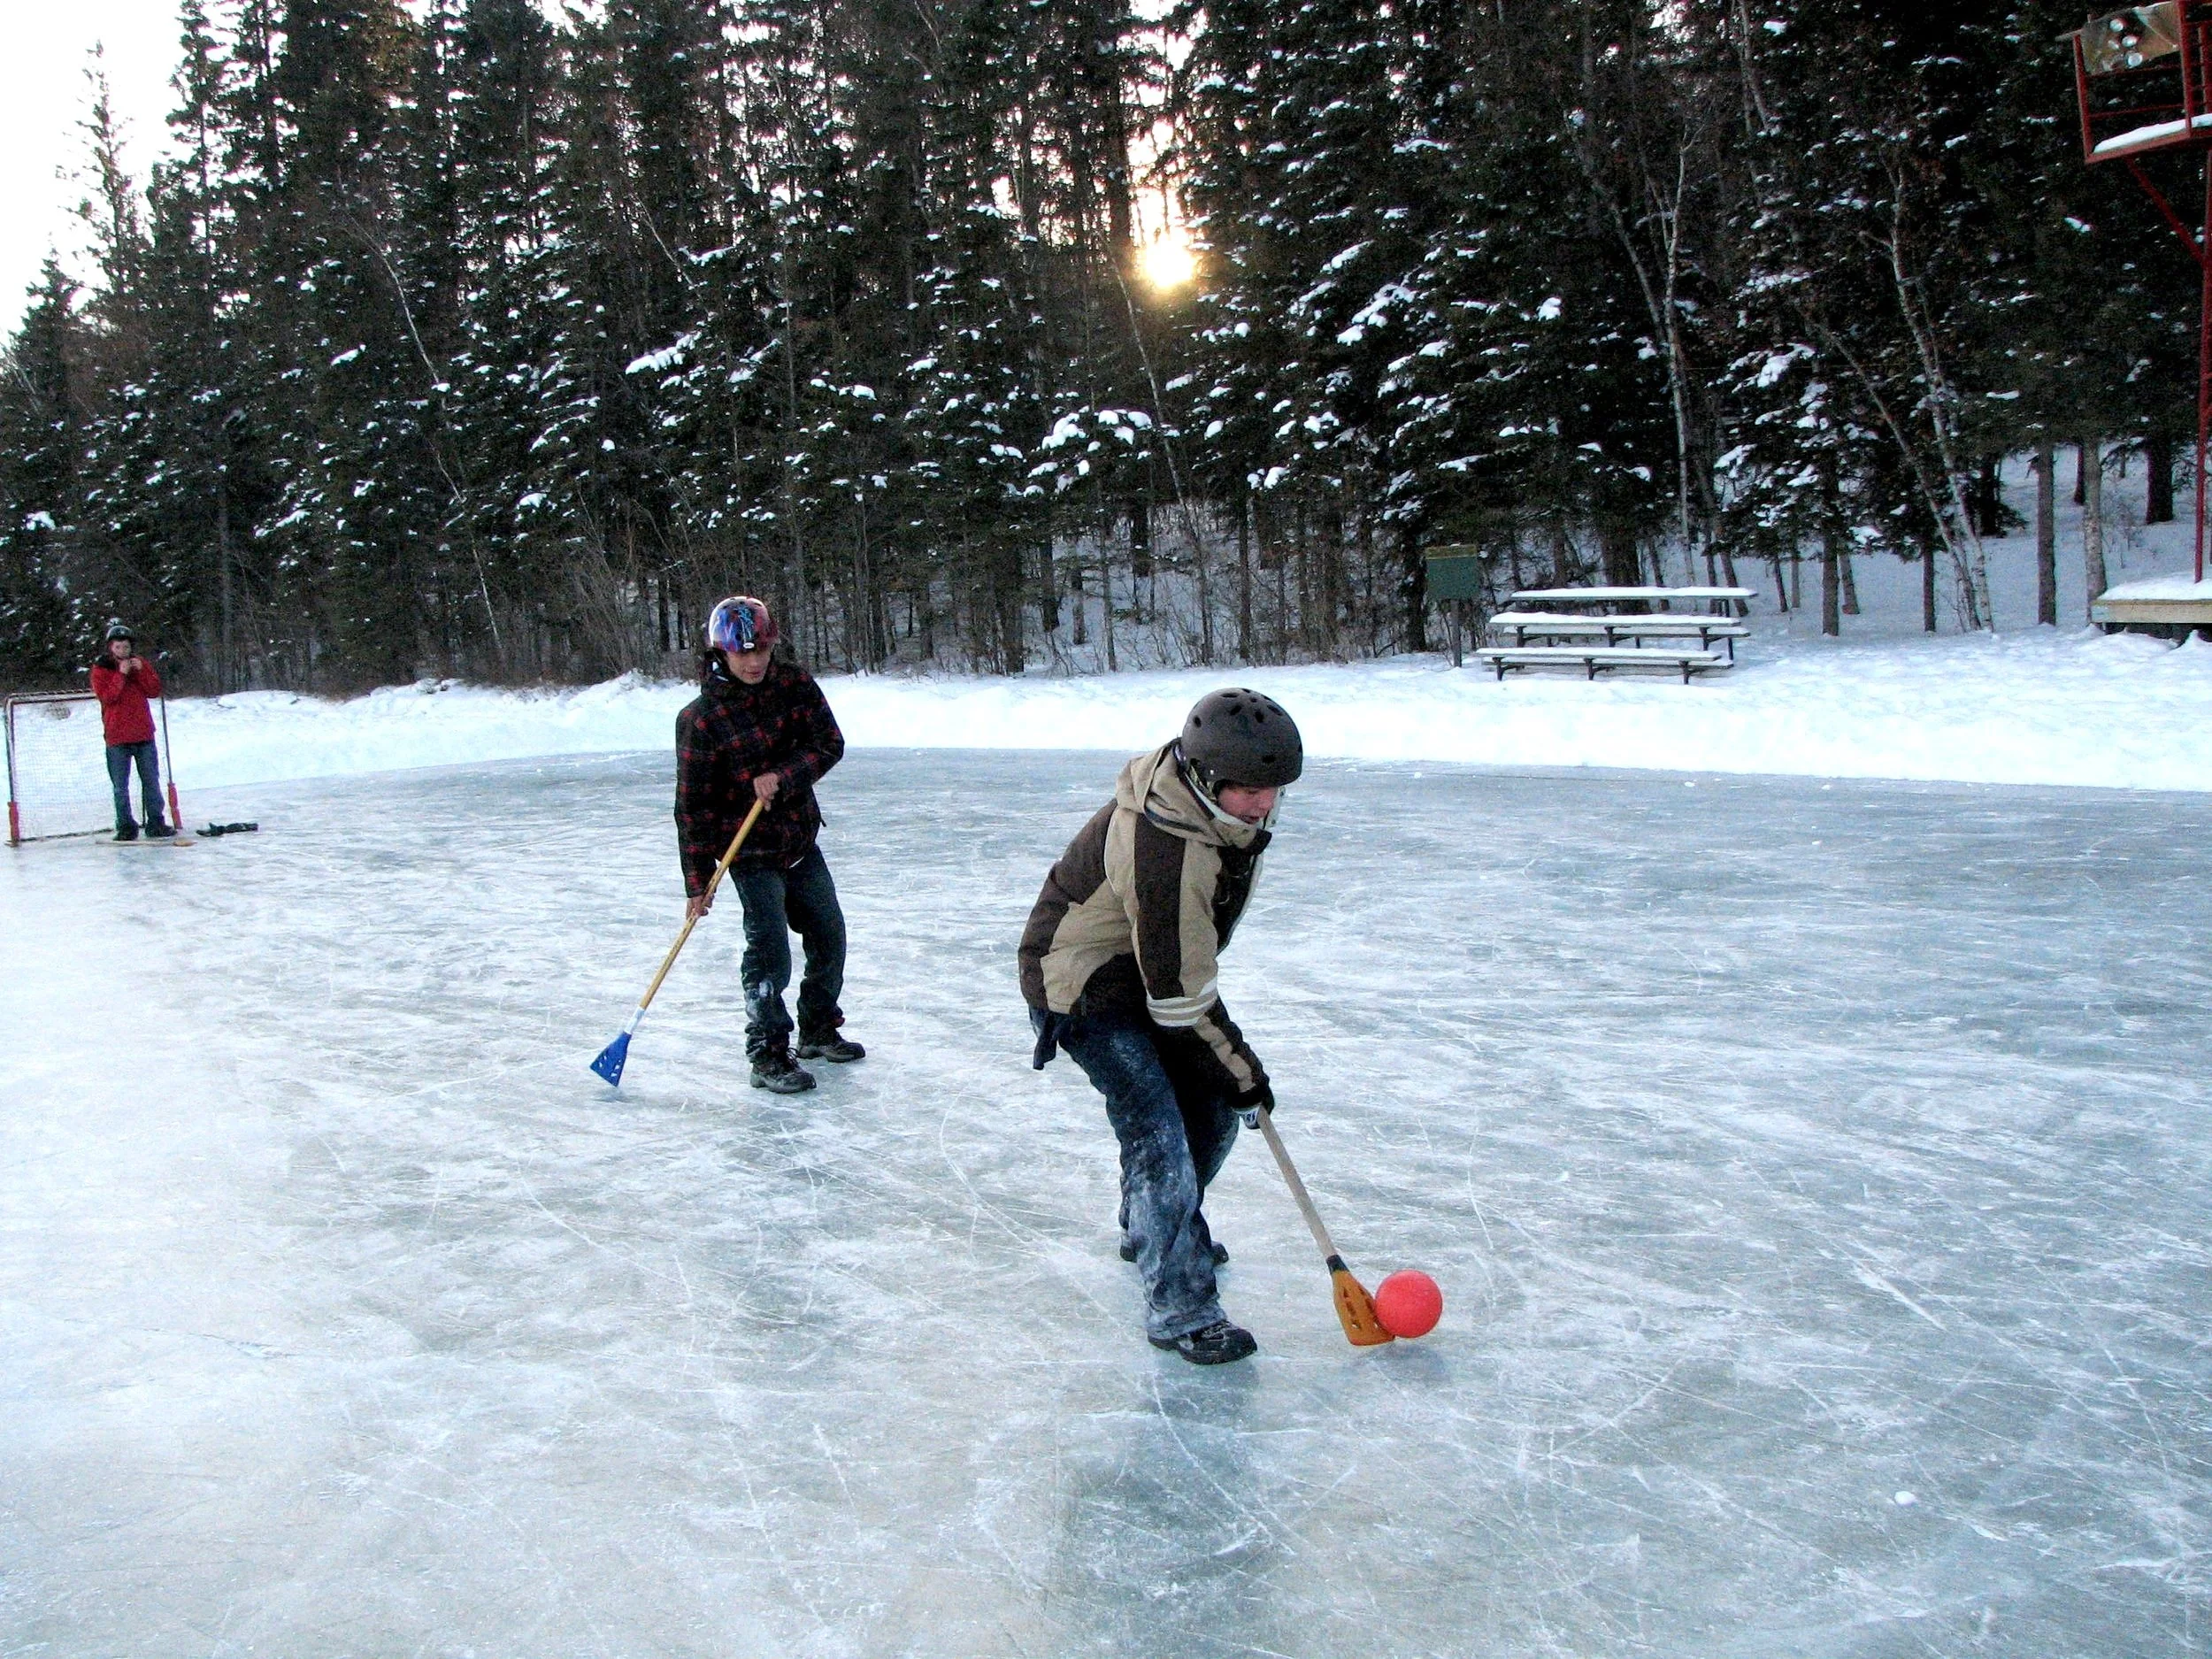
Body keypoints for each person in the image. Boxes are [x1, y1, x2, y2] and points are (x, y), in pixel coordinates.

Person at [1019, 688, 1302, 1365]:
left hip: (1144, 974)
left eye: (1274, 788)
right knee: (1158, 1125)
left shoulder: (1220, 818)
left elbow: (1178, 972)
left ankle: (1148, 1224)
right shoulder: (1166, 841)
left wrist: (1228, 1082)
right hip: (1081, 982)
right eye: (1249, 790)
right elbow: (1179, 999)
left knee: (1212, 1114)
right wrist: (1243, 1071)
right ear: (1206, 780)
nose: (1264, 804)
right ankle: (1182, 1308)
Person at [674, 595, 863, 1094]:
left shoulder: (794, 685)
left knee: (829, 935)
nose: (755, 662)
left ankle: (818, 1029)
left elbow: (828, 744)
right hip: (750, 855)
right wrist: (697, 881)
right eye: (742, 654)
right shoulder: (700, 720)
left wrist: (782, 775)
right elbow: (691, 807)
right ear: (721, 654)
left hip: (799, 839)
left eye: (761, 651)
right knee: (770, 956)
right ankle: (768, 1054)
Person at [88, 618, 173, 841]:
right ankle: (125, 826)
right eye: (118, 647)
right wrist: (121, 674)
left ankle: (156, 822)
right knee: (120, 786)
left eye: (126, 647)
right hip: (117, 737)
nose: (123, 651)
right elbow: (107, 697)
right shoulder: (101, 668)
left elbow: (153, 690)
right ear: (111, 648)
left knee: (151, 781)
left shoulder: (140, 663)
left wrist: (141, 671)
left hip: (143, 734)